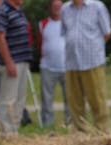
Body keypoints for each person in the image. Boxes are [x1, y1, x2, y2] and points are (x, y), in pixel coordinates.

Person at [61, 0, 111, 133]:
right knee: (74, 102)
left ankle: (103, 134)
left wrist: (93, 47)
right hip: (71, 62)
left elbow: (107, 33)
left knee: (97, 100)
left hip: (92, 61)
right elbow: (65, 32)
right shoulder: (65, 9)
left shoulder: (97, 7)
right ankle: (80, 133)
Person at [0, 0, 31, 135]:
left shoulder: (18, 10)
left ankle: (14, 130)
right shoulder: (2, 10)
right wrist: (8, 62)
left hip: (22, 60)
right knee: (8, 98)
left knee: (19, 99)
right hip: (12, 62)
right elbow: (0, 37)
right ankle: (6, 132)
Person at [38, 0, 70, 128]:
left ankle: (69, 123)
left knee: (69, 98)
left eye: (59, 6)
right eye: (54, 6)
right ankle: (47, 124)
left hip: (67, 67)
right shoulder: (43, 24)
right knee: (46, 98)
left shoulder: (67, 23)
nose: (57, 9)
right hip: (47, 67)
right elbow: (39, 43)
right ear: (50, 8)